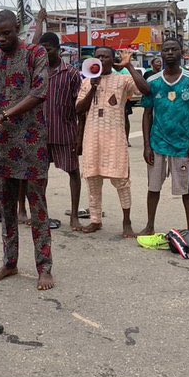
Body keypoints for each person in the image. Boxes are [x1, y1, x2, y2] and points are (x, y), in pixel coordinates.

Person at [0, 10, 54, 291]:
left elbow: (40, 92)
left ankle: (44, 267)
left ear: (17, 28)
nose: (2, 38)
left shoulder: (35, 53)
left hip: (31, 143)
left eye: (7, 33)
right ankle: (10, 262)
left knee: (37, 207)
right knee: (5, 209)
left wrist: (2, 116)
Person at [140, 38, 189, 245]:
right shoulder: (152, 81)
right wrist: (146, 145)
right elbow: (147, 114)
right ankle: (149, 225)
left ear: (181, 53)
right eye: (165, 50)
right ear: (160, 54)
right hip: (158, 143)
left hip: (182, 144)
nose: (169, 53)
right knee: (153, 188)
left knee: (186, 189)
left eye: (174, 49)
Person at [76, 47, 148, 237]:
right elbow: (79, 109)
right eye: (98, 56)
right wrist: (93, 86)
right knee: (92, 181)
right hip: (92, 138)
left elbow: (145, 90)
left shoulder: (123, 80)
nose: (100, 59)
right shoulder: (86, 81)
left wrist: (129, 66)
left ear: (112, 59)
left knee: (122, 181)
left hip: (114, 139)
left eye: (105, 56)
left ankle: (127, 222)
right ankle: (95, 220)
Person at [38, 32, 83, 230]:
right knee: (40, 176)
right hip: (39, 134)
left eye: (47, 50)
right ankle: (41, 214)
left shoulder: (72, 74)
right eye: (42, 50)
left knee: (73, 172)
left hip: (64, 132)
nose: (44, 53)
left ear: (58, 50)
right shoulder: (36, 73)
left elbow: (80, 107)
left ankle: (74, 215)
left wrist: (80, 136)